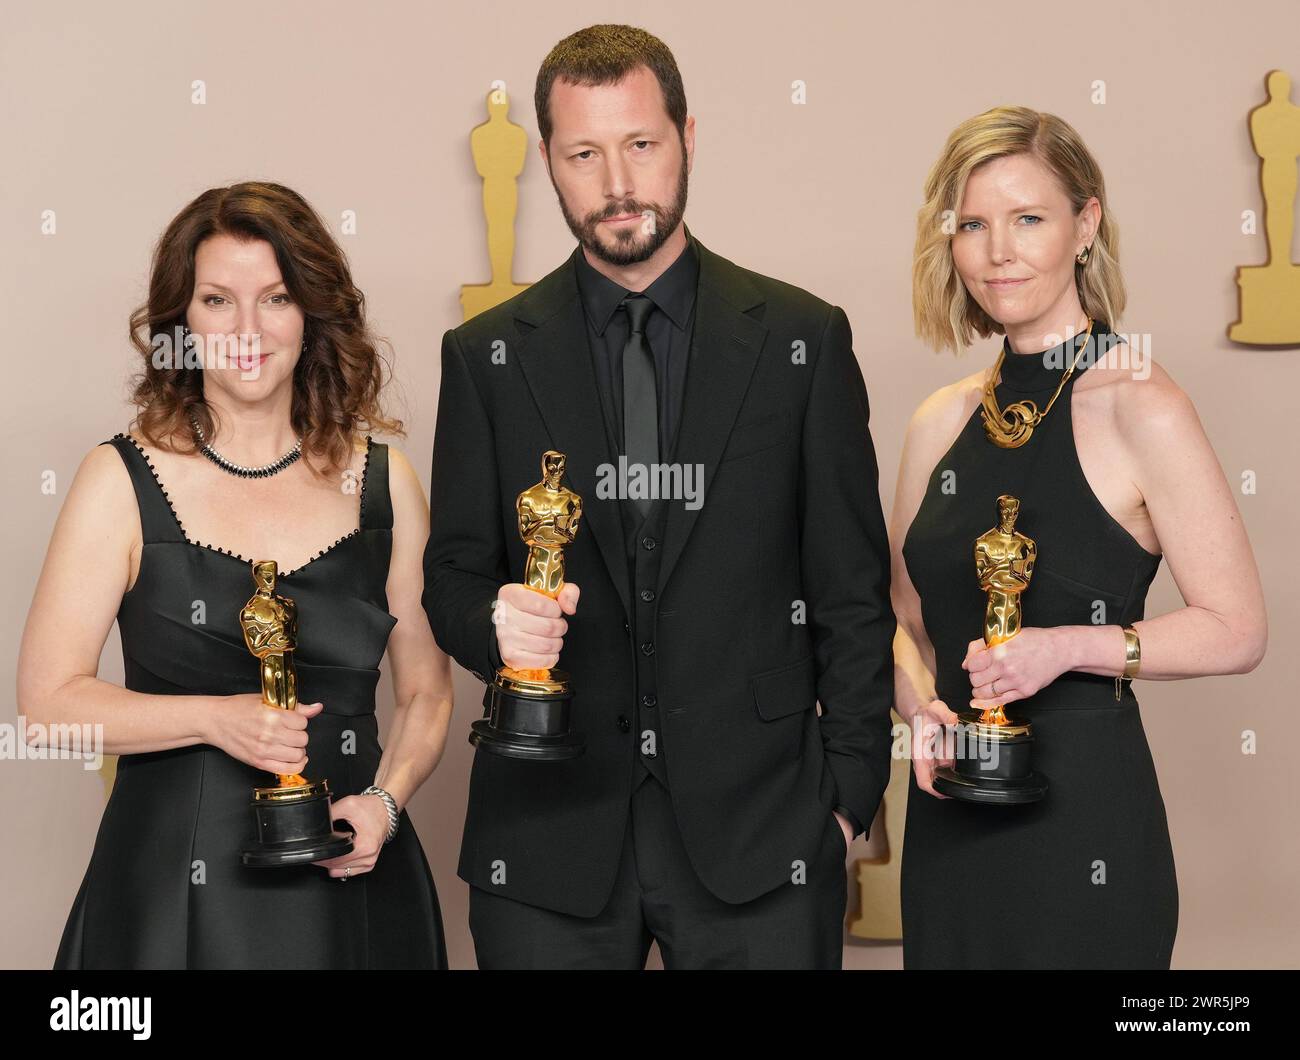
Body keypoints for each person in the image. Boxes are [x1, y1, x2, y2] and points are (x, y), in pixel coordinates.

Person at [423, 23, 895, 970]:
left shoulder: (802, 341)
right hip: (546, 836)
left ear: (688, 135)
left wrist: (846, 799)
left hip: (764, 834)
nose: (617, 183)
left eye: (641, 144)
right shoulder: (486, 356)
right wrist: (494, 626)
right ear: (549, 165)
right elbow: (454, 574)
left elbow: (850, 589)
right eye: (584, 154)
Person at [19, 181, 452, 969]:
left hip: (352, 888)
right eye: (218, 300)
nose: (246, 329)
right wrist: (216, 719)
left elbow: (427, 690)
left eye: (276, 297)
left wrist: (385, 804)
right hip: (165, 896)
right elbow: (48, 707)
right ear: (182, 321)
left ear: (312, 314)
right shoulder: (116, 480)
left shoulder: (388, 484)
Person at [893, 106, 1268, 968]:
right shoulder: (936, 423)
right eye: (974, 225)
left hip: (1086, 830)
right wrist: (920, 709)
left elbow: (1238, 628)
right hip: (950, 827)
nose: (999, 252)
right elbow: (901, 622)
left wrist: (1063, 647)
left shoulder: (1143, 404)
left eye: (1029, 219)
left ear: (1085, 225)